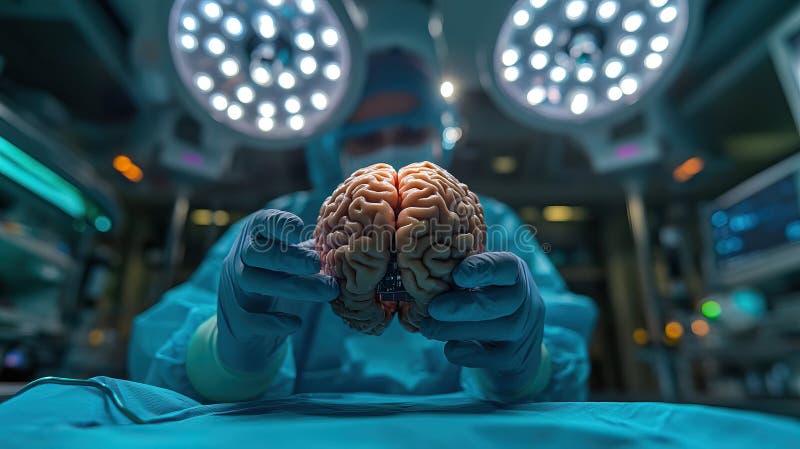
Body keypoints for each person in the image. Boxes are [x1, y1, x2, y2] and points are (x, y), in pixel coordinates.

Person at [129, 1, 596, 404]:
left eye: (411, 131)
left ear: (443, 137)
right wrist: (225, 357)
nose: (391, 150)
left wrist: (525, 367)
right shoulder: (277, 232)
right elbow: (152, 357)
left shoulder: (492, 224)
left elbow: (565, 360)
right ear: (330, 145)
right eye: (367, 136)